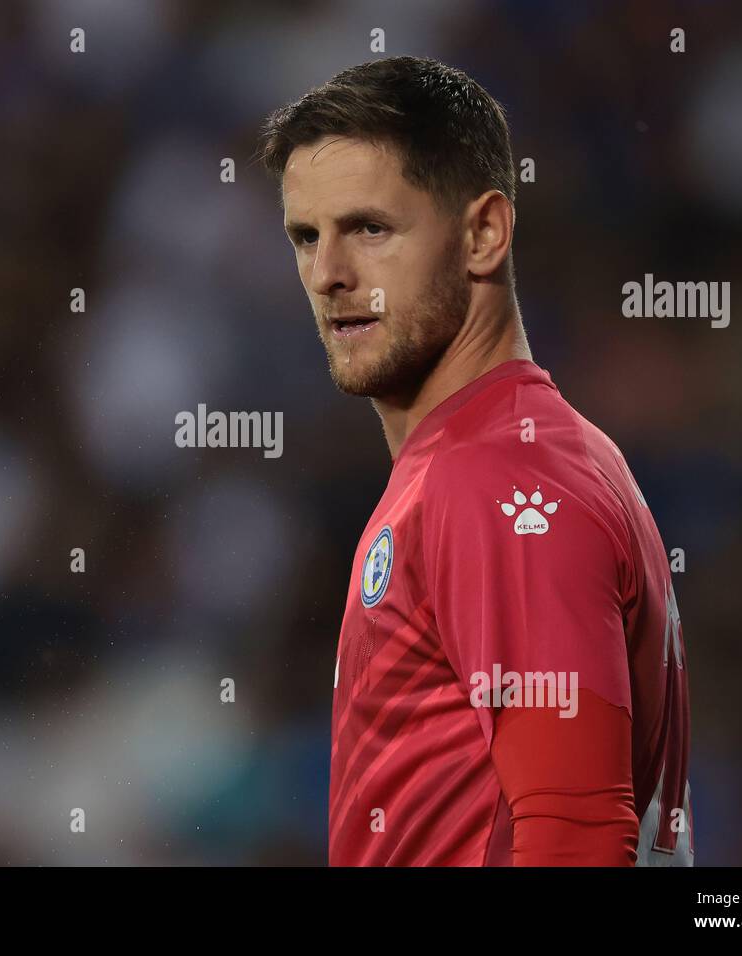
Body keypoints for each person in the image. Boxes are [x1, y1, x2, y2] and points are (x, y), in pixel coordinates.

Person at [257, 55, 693, 866]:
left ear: (484, 232)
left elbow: (578, 837)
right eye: (305, 238)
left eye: (370, 229)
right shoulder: (511, 457)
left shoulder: (497, 477)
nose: (328, 275)